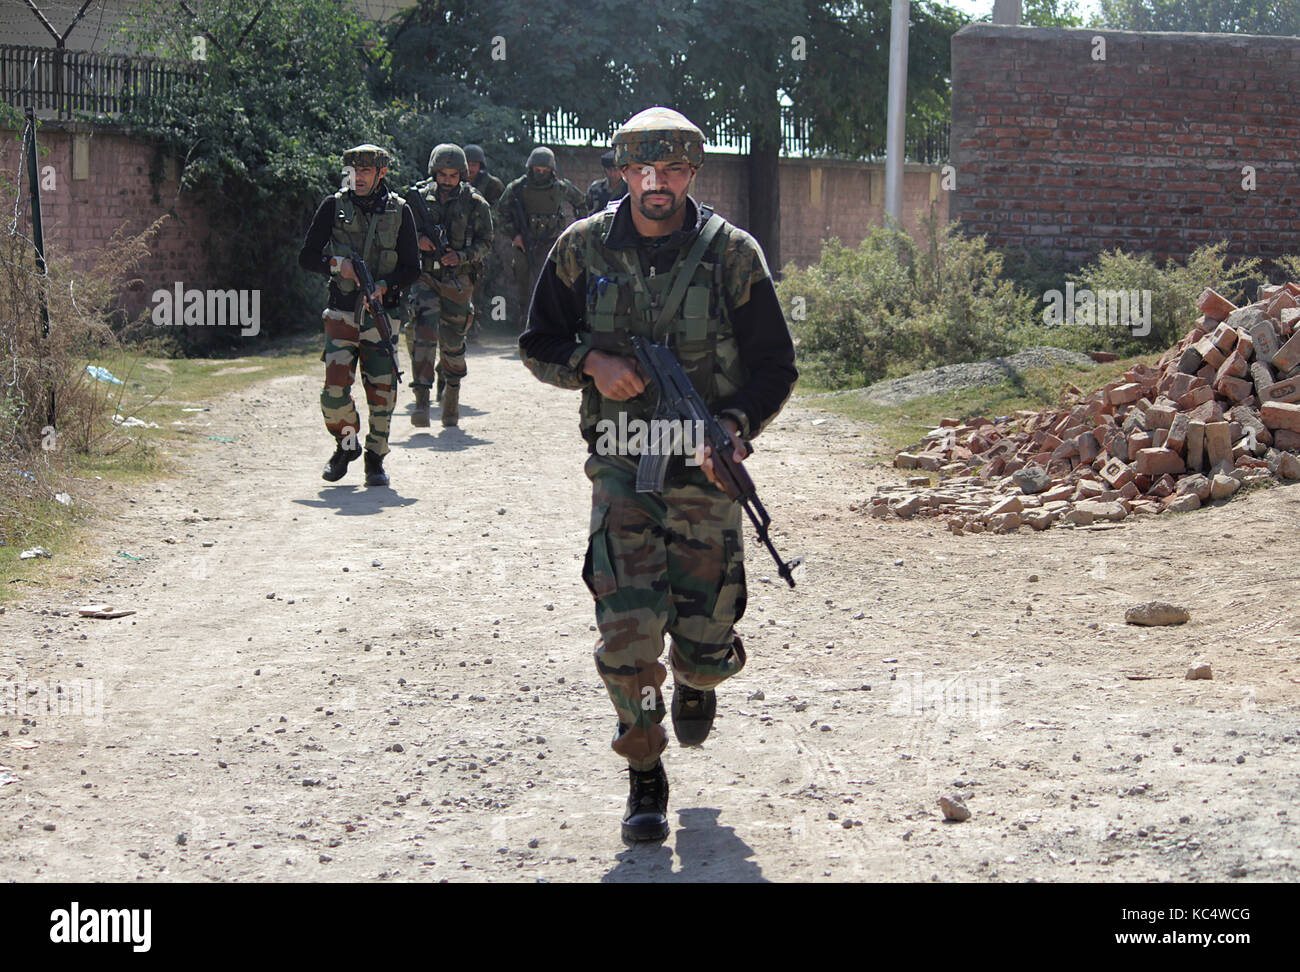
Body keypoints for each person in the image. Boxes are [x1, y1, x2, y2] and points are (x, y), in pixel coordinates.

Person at [519, 107, 798, 843]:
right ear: (620, 171)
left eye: (672, 169)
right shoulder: (579, 249)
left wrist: (735, 428)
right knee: (627, 631)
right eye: (642, 169)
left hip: (705, 475)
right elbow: (536, 339)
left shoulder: (733, 255)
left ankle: (702, 677)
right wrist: (590, 362)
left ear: (692, 173)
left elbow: (777, 365)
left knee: (704, 643)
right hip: (621, 471)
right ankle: (644, 771)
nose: (656, 184)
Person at [298, 143, 419, 486]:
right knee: (333, 392)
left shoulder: (400, 212)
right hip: (340, 312)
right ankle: (346, 444)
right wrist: (338, 266)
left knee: (382, 389)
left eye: (366, 171)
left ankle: (375, 459)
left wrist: (384, 285)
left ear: (381, 173)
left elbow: (412, 268)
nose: (358, 178)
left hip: (383, 312)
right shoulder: (333, 206)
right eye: (353, 171)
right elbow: (306, 257)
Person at [400, 143, 493, 427]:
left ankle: (451, 398)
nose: (447, 180)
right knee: (423, 336)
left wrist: (461, 255)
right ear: (434, 172)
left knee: (453, 343)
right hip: (425, 277)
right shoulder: (416, 199)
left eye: (453, 175)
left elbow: (486, 242)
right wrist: (417, 241)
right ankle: (421, 403)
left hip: (458, 280)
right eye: (443, 174)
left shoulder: (475, 203)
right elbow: (399, 232)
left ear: (462, 175)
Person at [497, 146, 585, 330]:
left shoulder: (560, 187)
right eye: (537, 170)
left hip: (551, 244)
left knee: (553, 283)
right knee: (523, 283)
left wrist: (575, 232)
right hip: (525, 244)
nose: (541, 174)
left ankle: (551, 323)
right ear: (531, 168)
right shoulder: (517, 187)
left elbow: (581, 204)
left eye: (545, 171)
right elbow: (501, 213)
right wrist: (515, 235)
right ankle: (525, 323)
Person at [463, 144, 504, 342]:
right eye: (468, 164)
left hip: (481, 239)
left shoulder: (492, 185)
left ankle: (474, 325)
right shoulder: (454, 180)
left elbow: (501, 210)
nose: (471, 168)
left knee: (478, 282)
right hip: (458, 238)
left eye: (475, 164)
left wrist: (484, 220)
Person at [585, 149, 627, 214]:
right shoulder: (595, 189)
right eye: (609, 170)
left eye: (615, 170)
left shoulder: (629, 189)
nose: (612, 174)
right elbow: (587, 211)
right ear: (605, 170)